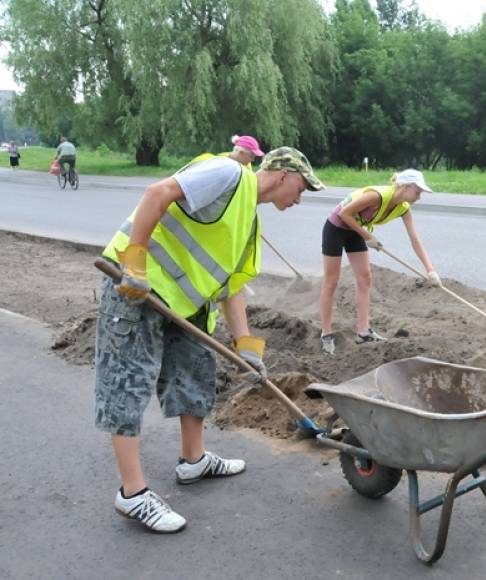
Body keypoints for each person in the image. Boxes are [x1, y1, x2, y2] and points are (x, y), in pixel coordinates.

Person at [96, 146, 325, 533]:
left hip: (184, 307)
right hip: (137, 286)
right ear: (283, 174)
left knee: (196, 373)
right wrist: (134, 260)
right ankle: (133, 494)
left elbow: (230, 289)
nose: (300, 199)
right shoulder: (228, 174)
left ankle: (194, 460)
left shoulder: (249, 223)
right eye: (302, 188)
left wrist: (247, 349)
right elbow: (157, 193)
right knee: (128, 382)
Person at [318, 169, 439, 354]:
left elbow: (415, 240)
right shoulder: (376, 196)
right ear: (406, 187)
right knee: (331, 280)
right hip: (336, 227)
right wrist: (368, 237)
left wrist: (430, 271)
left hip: (356, 231)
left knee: (365, 278)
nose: (419, 197)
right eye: (418, 191)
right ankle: (326, 334)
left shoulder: (403, 208)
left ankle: (363, 332)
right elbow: (344, 214)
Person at [191, 134, 265, 166]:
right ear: (241, 153)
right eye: (252, 156)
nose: (253, 160)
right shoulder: (218, 163)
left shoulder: (247, 165)